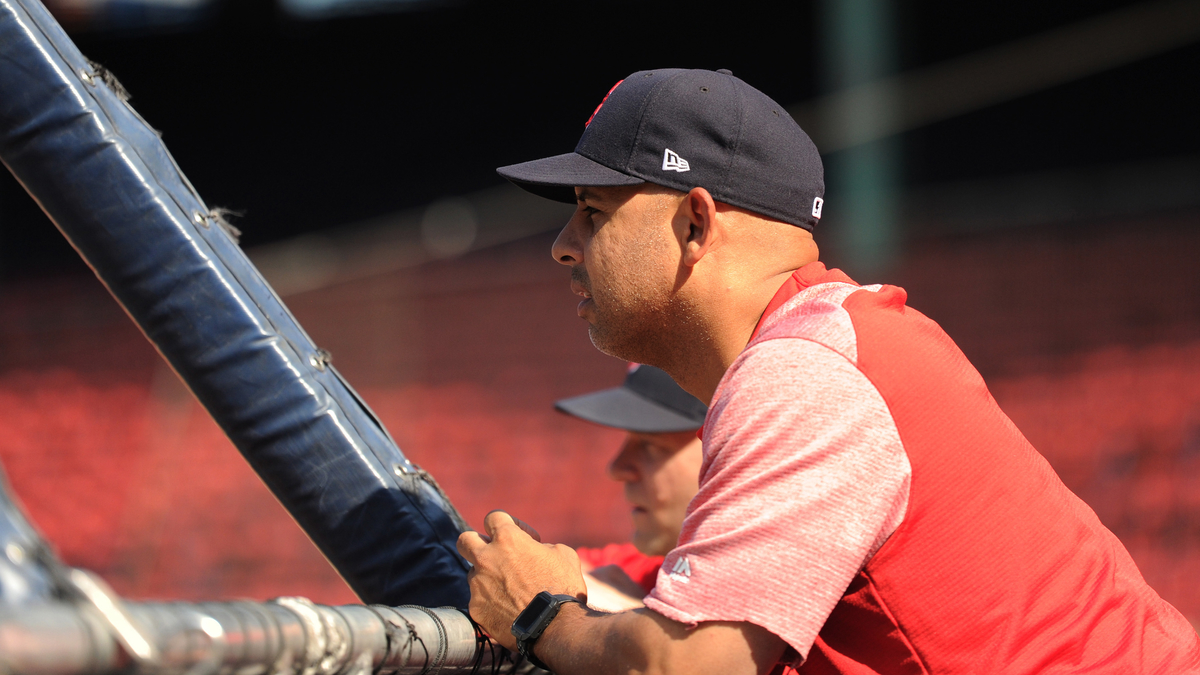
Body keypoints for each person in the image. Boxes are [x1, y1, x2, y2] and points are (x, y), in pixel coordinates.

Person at [458, 68, 1200, 674]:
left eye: (593, 211)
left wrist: (539, 616)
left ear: (695, 224)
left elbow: (686, 669)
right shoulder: (834, 338)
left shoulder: (801, 372)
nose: (562, 244)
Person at [559, 364, 706, 612]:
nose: (616, 468)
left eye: (650, 445)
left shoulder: (784, 583)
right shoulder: (655, 567)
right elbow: (548, 566)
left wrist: (626, 622)